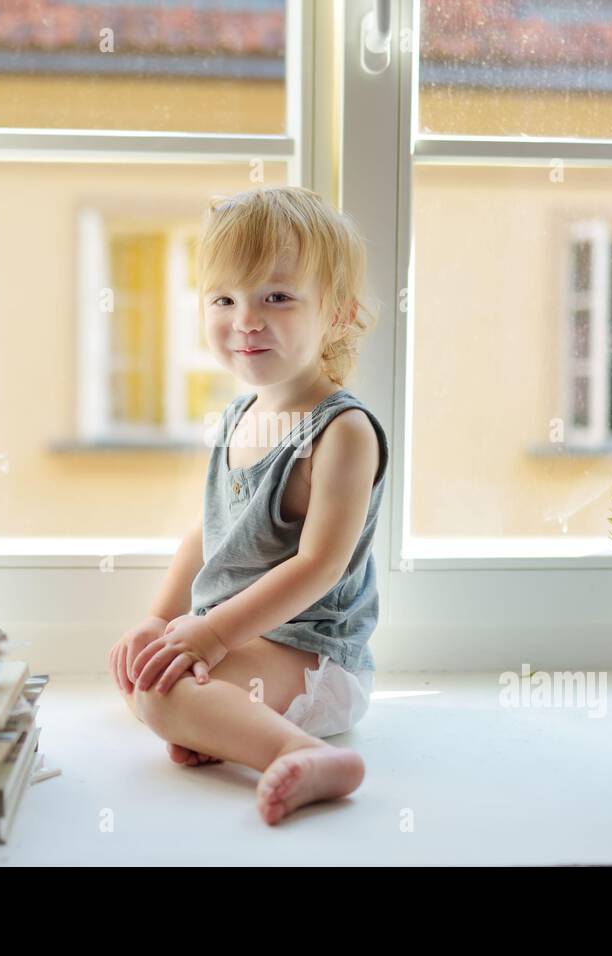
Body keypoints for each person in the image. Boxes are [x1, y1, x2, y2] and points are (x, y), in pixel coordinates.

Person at [107, 185, 390, 825]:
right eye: (225, 299)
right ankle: (224, 726)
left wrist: (208, 633)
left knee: (160, 692)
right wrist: (161, 620)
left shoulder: (341, 431)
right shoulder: (238, 415)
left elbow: (319, 566)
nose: (246, 320)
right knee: (141, 672)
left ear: (339, 314)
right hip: (248, 644)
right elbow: (206, 538)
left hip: (314, 657)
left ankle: (305, 754)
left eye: (278, 297)